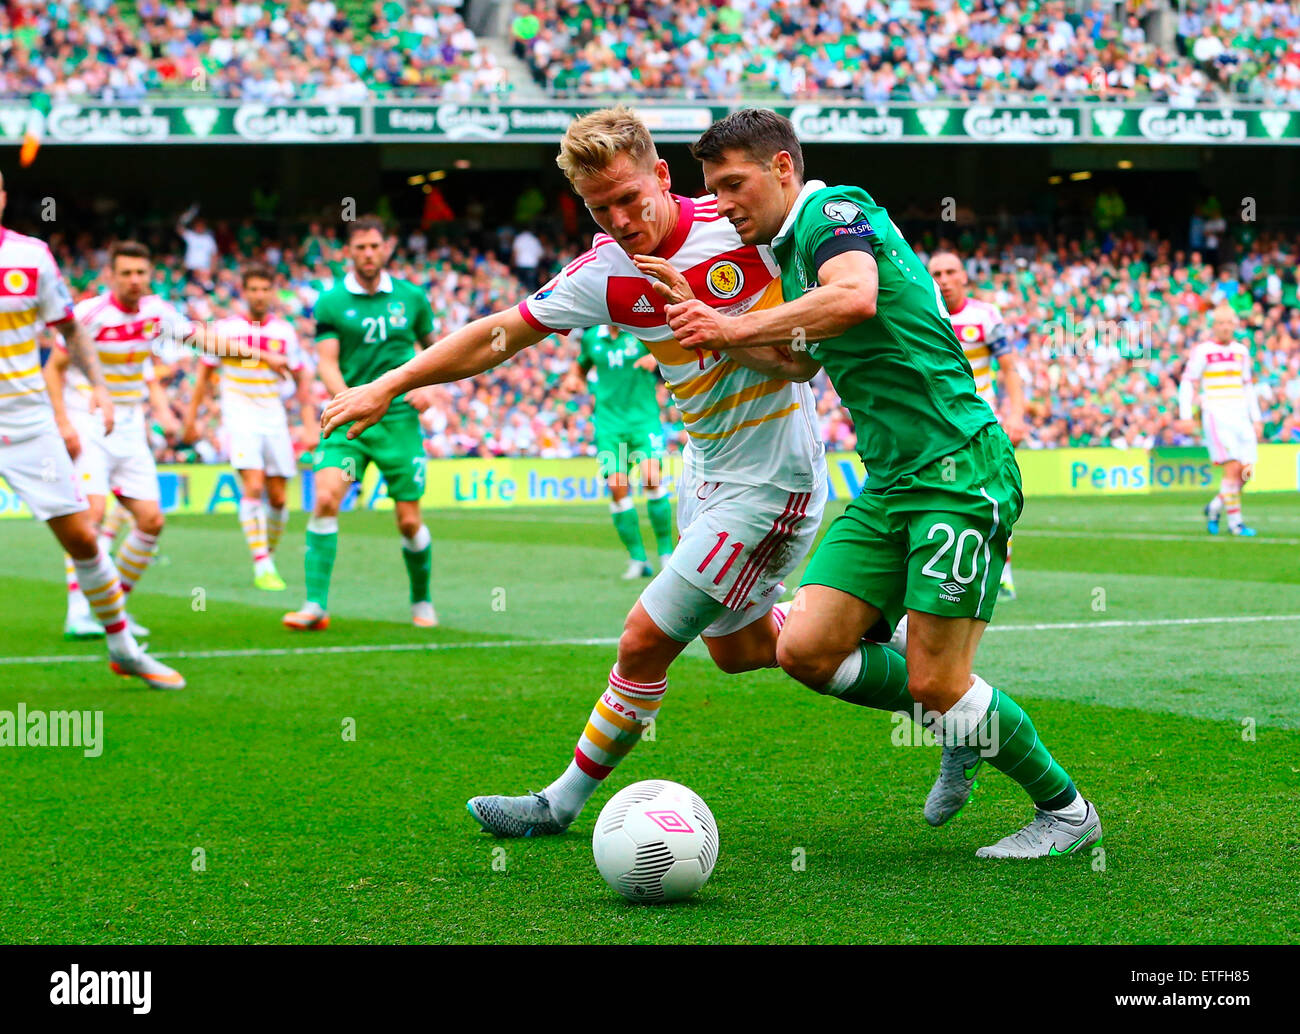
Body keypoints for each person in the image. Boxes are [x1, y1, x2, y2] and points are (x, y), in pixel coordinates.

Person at [318, 107, 891, 839]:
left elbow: (808, 349)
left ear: (662, 176)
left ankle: (556, 805)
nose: (620, 219)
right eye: (600, 207)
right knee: (742, 650)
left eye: (630, 198)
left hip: (772, 478)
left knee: (643, 639)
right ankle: (912, 667)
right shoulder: (609, 273)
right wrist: (390, 384)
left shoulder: (744, 228)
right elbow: (498, 336)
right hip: (704, 468)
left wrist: (726, 322)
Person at [666, 108, 1102, 859]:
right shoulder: (787, 254)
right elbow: (802, 361)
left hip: (958, 469)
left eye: (734, 184)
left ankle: (1065, 811)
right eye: (712, 189)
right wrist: (704, 334)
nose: (724, 202)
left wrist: (733, 329)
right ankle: (960, 715)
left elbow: (856, 296)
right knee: (805, 647)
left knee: (936, 680)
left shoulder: (835, 213)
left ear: (780, 170)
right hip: (893, 481)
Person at [0, 175, 183, 688]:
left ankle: (123, 648)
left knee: (83, 535)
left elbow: (68, 329)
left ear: (2, 199)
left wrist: (98, 390)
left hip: (24, 419)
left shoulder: (32, 257)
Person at [282, 216, 440, 630]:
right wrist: (351, 399)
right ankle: (315, 604)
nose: (368, 254)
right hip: (350, 417)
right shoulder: (331, 301)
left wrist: (431, 388)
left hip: (400, 419)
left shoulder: (412, 297)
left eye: (375, 246)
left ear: (387, 248)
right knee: (326, 497)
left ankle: (421, 601)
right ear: (348, 252)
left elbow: (435, 351)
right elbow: (327, 362)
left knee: (408, 519)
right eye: (360, 247)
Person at [44, 241, 186, 639]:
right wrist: (63, 423)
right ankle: (78, 613)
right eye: (126, 273)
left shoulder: (158, 312)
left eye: (141, 272)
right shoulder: (89, 314)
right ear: (110, 276)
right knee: (92, 517)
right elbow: (53, 369)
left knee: (151, 521)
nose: (134, 280)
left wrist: (260, 356)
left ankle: (111, 610)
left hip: (129, 422)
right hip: (85, 417)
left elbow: (201, 340)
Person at [184, 263, 318, 587]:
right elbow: (203, 375)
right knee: (254, 486)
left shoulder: (284, 332)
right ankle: (261, 565)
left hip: (273, 416)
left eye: (264, 289)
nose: (259, 295)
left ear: (273, 292)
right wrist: (191, 418)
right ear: (244, 293)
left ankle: (267, 557)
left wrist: (310, 423)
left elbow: (302, 377)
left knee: (279, 498)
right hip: (239, 414)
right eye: (253, 289)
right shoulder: (225, 329)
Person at [928, 250, 1026, 600]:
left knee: (994, 499)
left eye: (950, 271)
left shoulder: (985, 317)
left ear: (964, 277)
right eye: (936, 272)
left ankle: (1004, 572)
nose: (943, 279)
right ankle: (946, 571)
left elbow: (1010, 368)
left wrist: (1015, 415)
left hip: (982, 424)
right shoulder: (924, 314)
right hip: (937, 428)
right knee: (944, 499)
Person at [562, 324, 673, 578]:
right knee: (616, 486)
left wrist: (655, 356)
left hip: (643, 420)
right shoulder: (592, 338)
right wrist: (573, 377)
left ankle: (667, 554)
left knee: (651, 477)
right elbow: (581, 364)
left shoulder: (642, 330)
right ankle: (638, 559)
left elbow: (673, 349)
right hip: (609, 425)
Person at [1179, 306, 1262, 536]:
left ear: (1234, 326)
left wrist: (1256, 418)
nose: (1226, 327)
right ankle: (1236, 524)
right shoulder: (1203, 351)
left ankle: (1215, 507)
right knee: (1233, 468)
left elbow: (1247, 385)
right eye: (1221, 323)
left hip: (1241, 416)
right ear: (1214, 326)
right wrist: (1186, 414)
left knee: (1246, 472)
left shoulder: (1241, 351)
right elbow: (1188, 381)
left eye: (1229, 323)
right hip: (1217, 414)